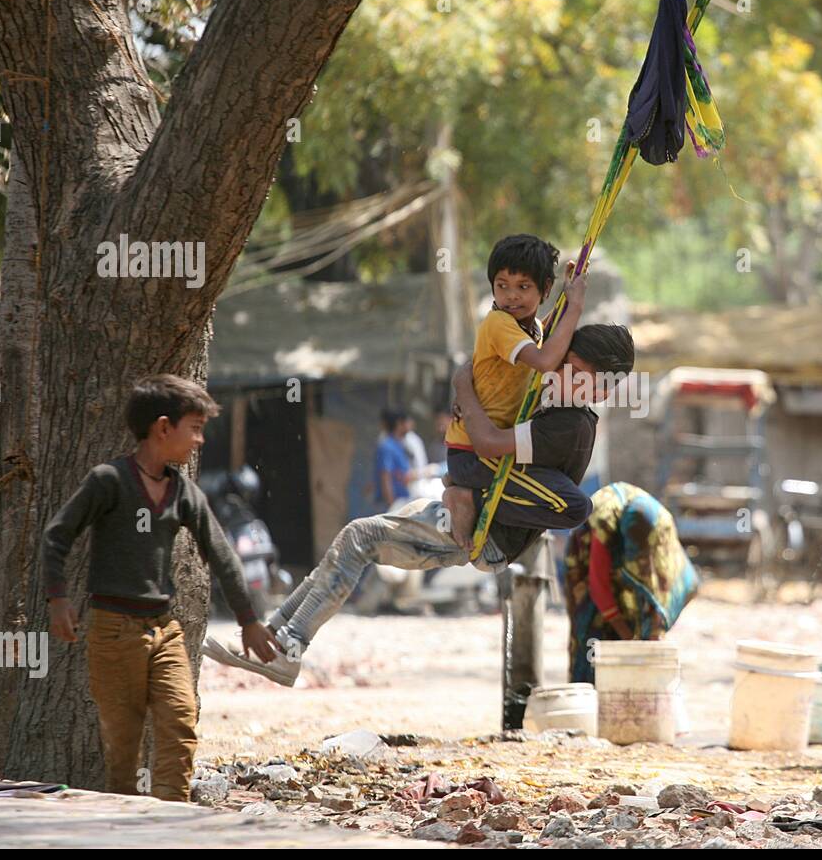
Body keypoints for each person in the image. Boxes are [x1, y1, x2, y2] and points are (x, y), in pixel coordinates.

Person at [203, 324, 635, 687]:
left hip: (483, 534)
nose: (557, 371)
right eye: (561, 362)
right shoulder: (552, 401)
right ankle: (275, 637)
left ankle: (288, 648)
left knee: (361, 536)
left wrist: (464, 396)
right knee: (351, 538)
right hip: (470, 511)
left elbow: (489, 446)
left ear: (600, 386)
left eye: (572, 369)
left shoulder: (570, 424)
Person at [42, 375, 277, 802]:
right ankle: (128, 832)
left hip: (164, 630)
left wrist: (249, 620)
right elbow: (57, 535)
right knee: (123, 746)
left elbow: (222, 555)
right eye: (195, 428)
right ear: (163, 427)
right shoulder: (108, 480)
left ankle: (173, 818)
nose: (200, 440)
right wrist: (58, 599)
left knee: (180, 722)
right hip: (114, 633)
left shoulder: (183, 491)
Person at [440, 234, 589, 549]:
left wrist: (567, 291)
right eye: (502, 285)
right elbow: (546, 360)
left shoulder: (529, 326)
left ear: (543, 290)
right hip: (474, 455)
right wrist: (575, 307)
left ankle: (467, 489)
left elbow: (548, 332)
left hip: (481, 452)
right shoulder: (499, 323)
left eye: (523, 287)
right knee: (573, 507)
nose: (511, 296)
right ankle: (468, 497)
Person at [563, 482, 699, 683]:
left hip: (624, 567)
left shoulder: (658, 523)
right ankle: (596, 698)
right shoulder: (605, 524)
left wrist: (653, 631)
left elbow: (661, 586)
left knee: (645, 635)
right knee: (594, 642)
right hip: (591, 580)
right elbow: (599, 587)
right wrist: (628, 638)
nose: (641, 563)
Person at [374, 408, 413, 512]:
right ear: (399, 424)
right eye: (406, 422)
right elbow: (385, 476)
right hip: (390, 506)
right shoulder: (387, 446)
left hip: (401, 504)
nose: (410, 424)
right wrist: (392, 508)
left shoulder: (399, 445)